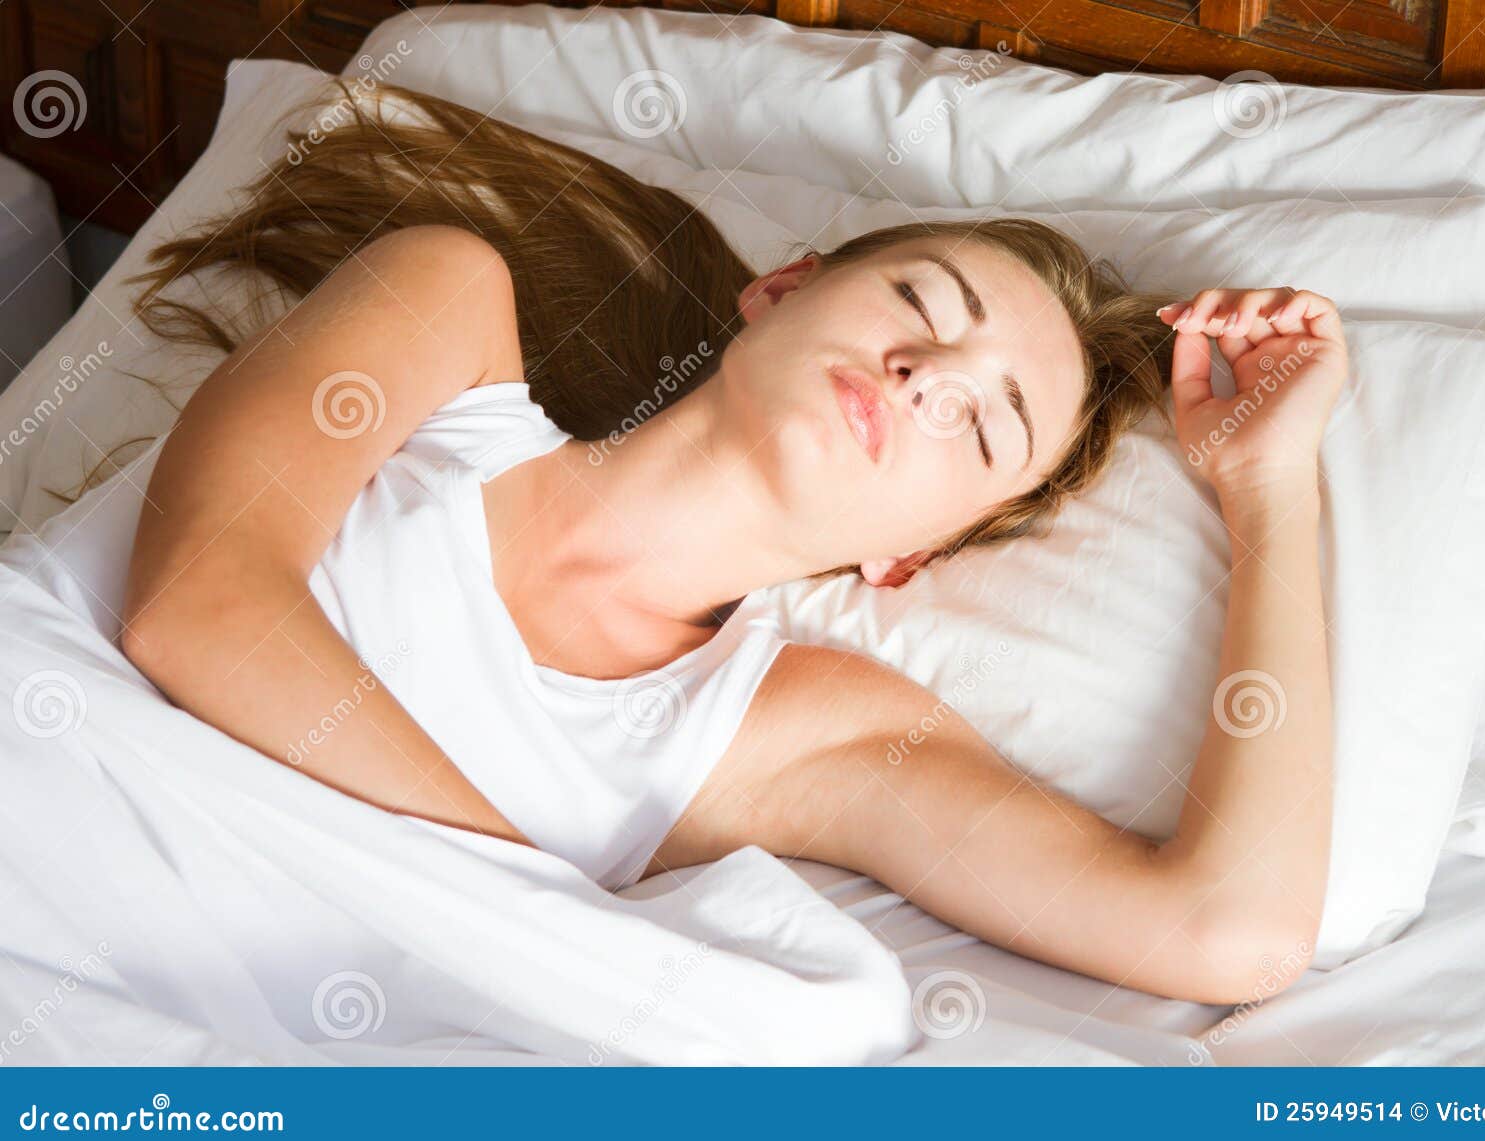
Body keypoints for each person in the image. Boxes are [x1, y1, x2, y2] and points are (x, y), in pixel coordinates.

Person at [110, 85, 1342, 1007]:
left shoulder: (801, 730)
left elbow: (1227, 931)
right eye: (922, 302)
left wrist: (1271, 485)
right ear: (780, 288)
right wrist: (550, 905)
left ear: (914, 555)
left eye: (982, 422)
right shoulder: (444, 310)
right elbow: (195, 603)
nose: (928, 376)